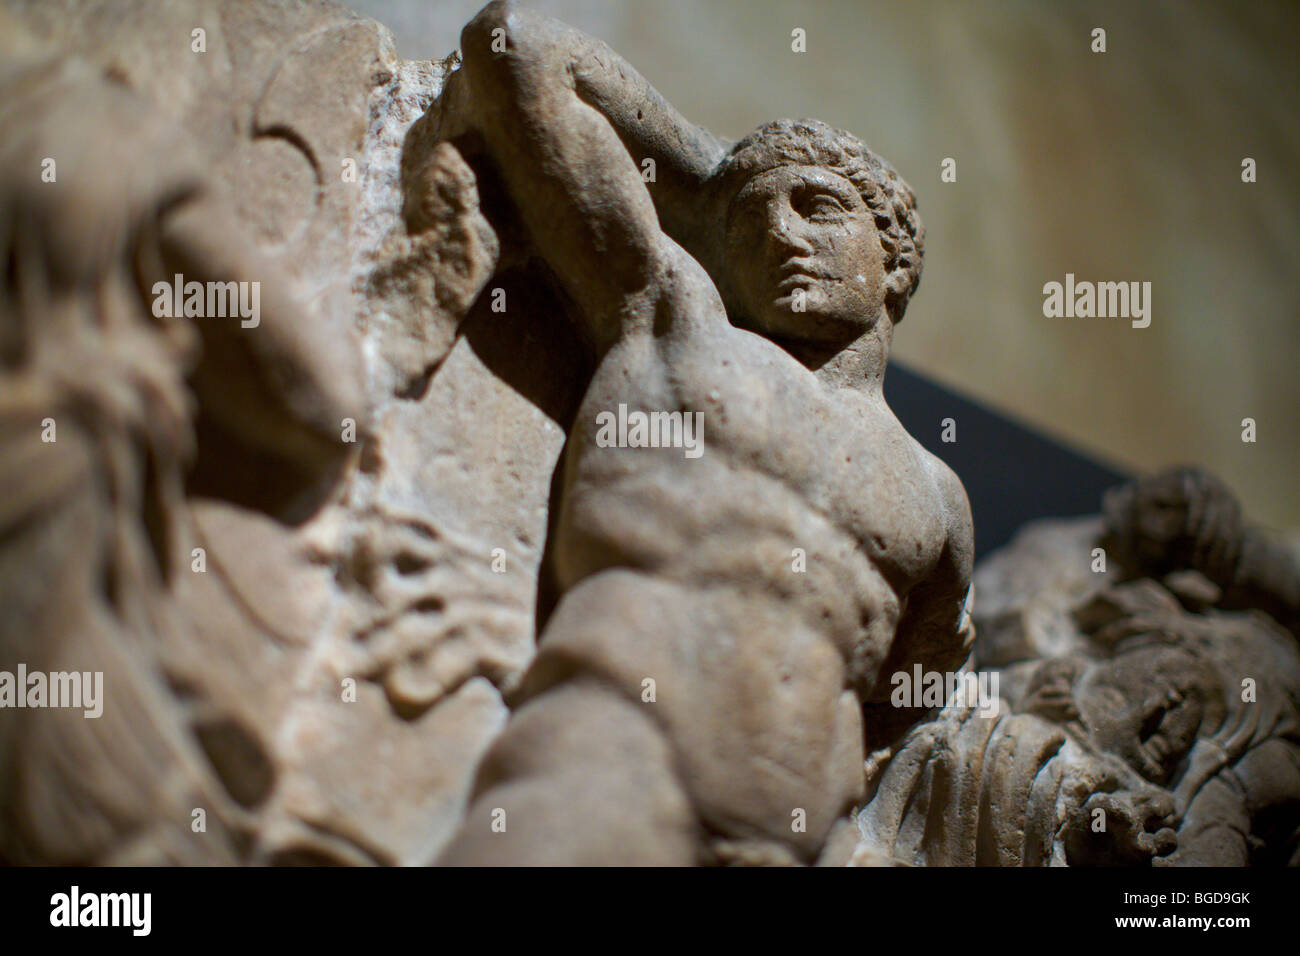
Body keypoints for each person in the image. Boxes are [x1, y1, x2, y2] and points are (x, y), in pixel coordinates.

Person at [429, 1, 973, 865]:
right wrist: (715, 177)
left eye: (818, 206)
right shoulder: (674, 321)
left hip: (791, 834)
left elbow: (912, 691)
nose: (780, 233)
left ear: (896, 259)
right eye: (755, 217)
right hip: (613, 760)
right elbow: (516, 45)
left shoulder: (935, 496)